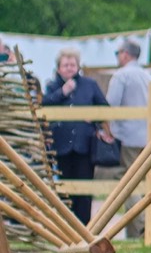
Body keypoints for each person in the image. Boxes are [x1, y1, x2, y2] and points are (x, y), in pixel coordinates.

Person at [42, 49, 113, 222]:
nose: (69, 68)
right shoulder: (52, 86)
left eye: (72, 65)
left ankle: (84, 228)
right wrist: (62, 92)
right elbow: (44, 105)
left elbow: (105, 108)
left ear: (78, 66)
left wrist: (93, 116)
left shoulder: (90, 84)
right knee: (64, 189)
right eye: (65, 65)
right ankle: (66, 227)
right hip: (61, 146)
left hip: (84, 146)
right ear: (58, 68)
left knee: (84, 191)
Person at [104, 39, 151, 240]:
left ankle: (137, 228)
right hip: (150, 137)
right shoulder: (149, 76)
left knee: (130, 184)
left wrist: (107, 129)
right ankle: (148, 228)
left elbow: (111, 105)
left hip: (128, 137)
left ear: (125, 54)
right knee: (146, 183)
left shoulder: (121, 76)